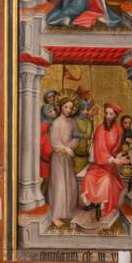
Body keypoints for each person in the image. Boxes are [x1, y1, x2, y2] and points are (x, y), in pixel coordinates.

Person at [79, 103, 129, 221]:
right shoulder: (100, 129)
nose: (107, 116)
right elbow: (99, 149)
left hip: (110, 167)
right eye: (106, 113)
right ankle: (93, 203)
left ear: (115, 116)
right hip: (98, 164)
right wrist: (113, 159)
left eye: (111, 114)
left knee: (106, 180)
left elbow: (118, 148)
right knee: (89, 177)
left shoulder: (119, 130)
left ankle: (99, 206)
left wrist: (120, 156)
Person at [47, 98, 80, 228]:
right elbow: (53, 140)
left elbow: (76, 137)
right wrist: (65, 148)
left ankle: (68, 212)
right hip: (58, 157)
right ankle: (55, 215)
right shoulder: (56, 123)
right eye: (66, 107)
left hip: (67, 158)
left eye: (71, 108)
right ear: (61, 107)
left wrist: (70, 147)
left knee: (70, 183)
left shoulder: (72, 122)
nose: (68, 110)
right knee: (59, 184)